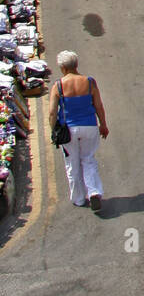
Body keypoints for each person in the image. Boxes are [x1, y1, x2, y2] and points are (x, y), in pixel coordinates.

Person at [49, 51, 108, 211]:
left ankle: (79, 198)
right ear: (76, 65)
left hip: (68, 130)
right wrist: (103, 124)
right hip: (89, 126)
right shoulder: (89, 82)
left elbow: (52, 112)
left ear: (62, 68)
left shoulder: (58, 86)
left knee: (72, 164)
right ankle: (94, 191)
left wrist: (53, 130)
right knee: (88, 159)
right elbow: (99, 106)